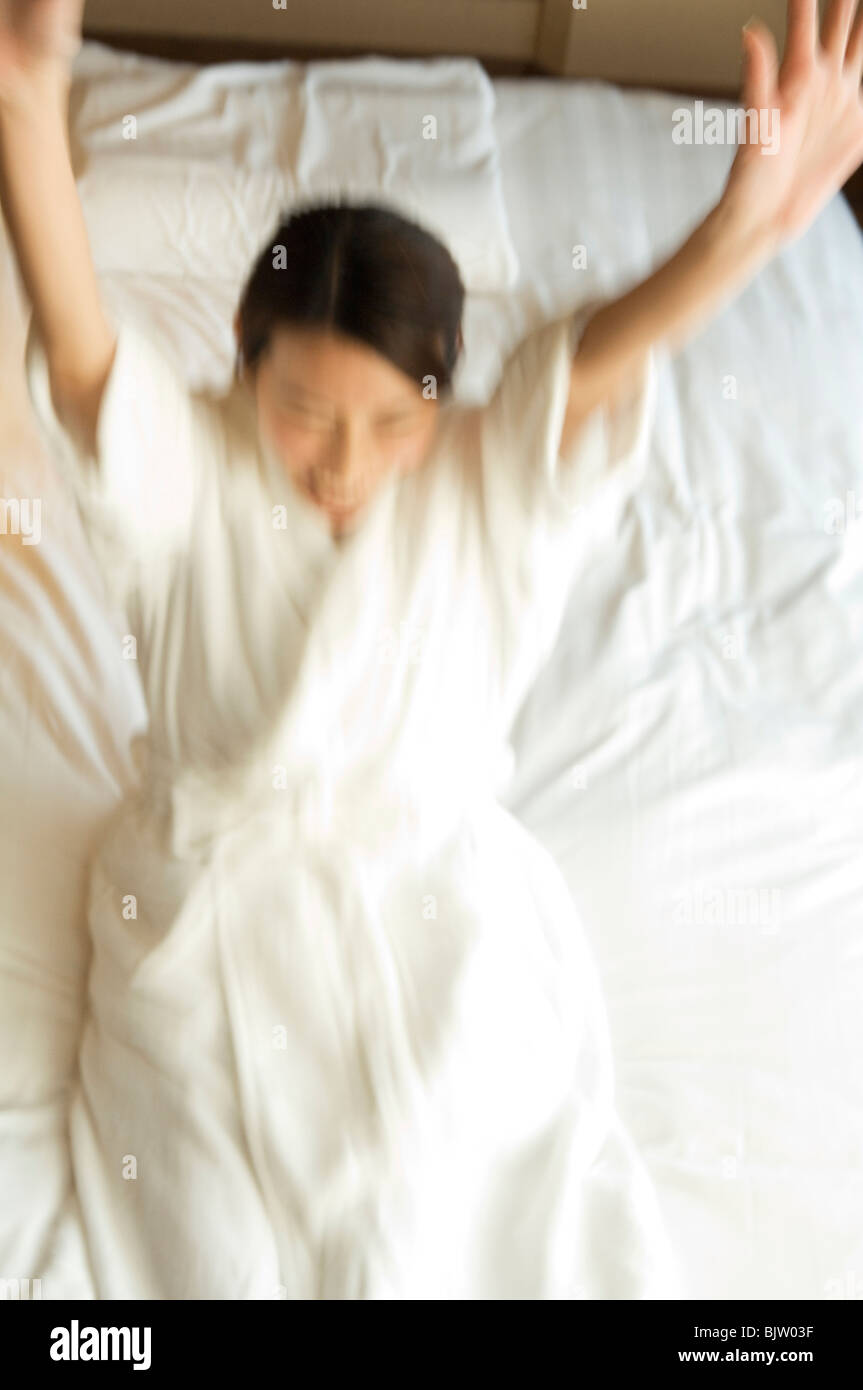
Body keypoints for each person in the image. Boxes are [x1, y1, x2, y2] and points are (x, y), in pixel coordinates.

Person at [2, 0, 862, 1299]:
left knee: (443, 1190)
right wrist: (21, 104)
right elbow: (80, 364)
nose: (343, 463)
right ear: (243, 370)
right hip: (206, 903)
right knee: (213, 1248)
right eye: (301, 410)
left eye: (389, 424)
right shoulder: (191, 471)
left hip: (432, 892)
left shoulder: (486, 484)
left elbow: (595, 363)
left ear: (445, 398)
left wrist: (743, 226)